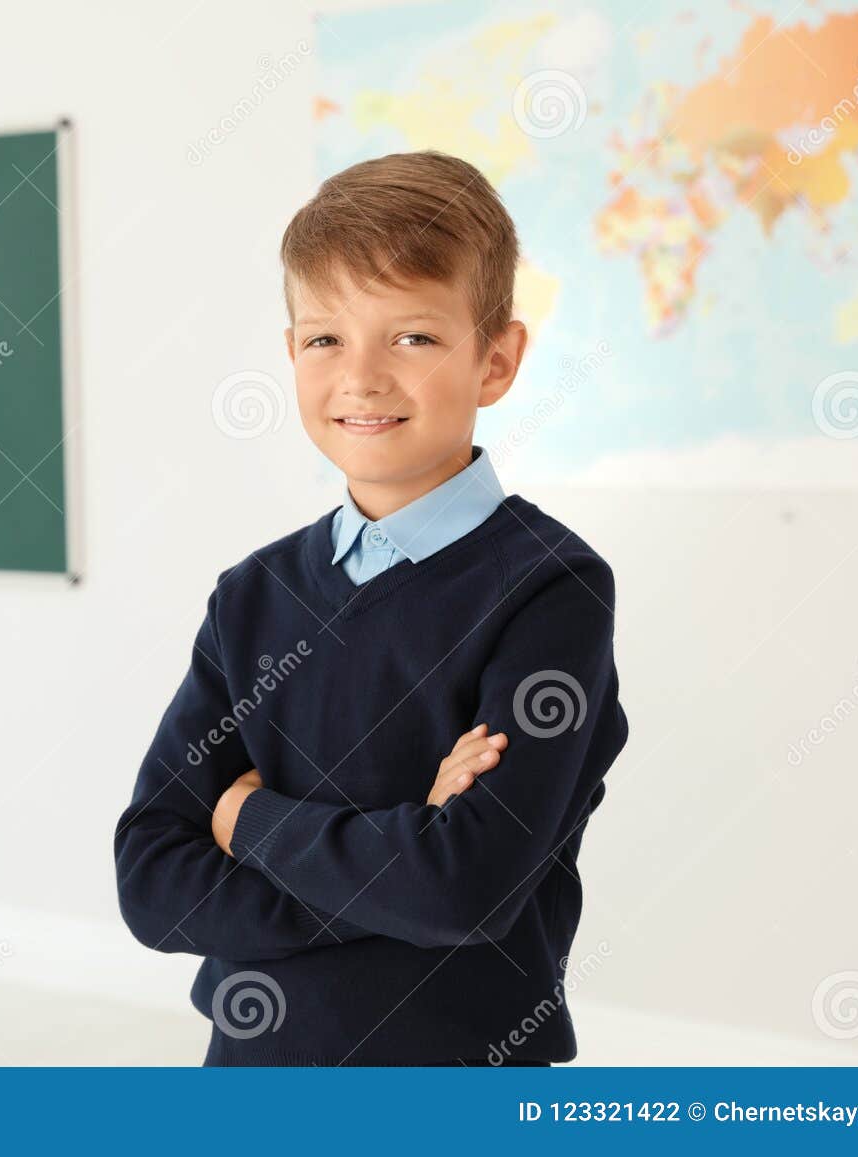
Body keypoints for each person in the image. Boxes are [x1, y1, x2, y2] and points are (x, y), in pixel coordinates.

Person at [113, 150, 630, 1067]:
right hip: (254, 1061)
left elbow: (460, 892)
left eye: (414, 338)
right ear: (291, 354)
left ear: (497, 360)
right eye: (325, 339)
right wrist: (401, 856)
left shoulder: (553, 590)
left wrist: (249, 822)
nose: (361, 376)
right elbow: (153, 882)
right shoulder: (253, 595)